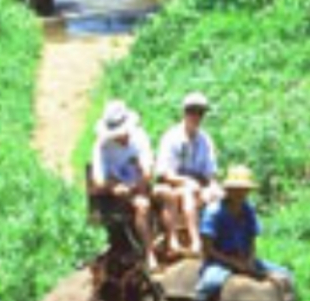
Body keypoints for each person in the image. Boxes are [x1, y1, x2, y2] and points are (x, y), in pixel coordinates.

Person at [196, 165, 291, 300]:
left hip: (243, 257)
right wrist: (234, 263)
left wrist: (250, 260)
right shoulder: (213, 212)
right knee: (210, 285)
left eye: (244, 190)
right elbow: (208, 249)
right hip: (219, 261)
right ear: (228, 190)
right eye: (236, 190)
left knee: (286, 276)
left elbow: (252, 240)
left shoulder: (248, 210)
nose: (240, 194)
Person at [88, 100, 158, 270]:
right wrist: (113, 186)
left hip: (140, 184)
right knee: (142, 206)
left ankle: (157, 247)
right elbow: (98, 179)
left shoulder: (139, 137)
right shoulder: (102, 147)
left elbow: (148, 167)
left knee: (151, 200)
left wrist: (141, 179)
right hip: (114, 193)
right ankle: (148, 252)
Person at [155, 92, 223, 257]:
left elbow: (210, 172)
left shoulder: (205, 140)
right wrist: (186, 181)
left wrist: (213, 187)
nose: (196, 116)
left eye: (200, 112)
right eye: (192, 111)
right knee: (188, 192)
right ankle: (195, 241)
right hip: (174, 186)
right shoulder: (171, 138)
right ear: (185, 113)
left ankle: (221, 241)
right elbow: (164, 173)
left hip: (199, 185)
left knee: (220, 194)